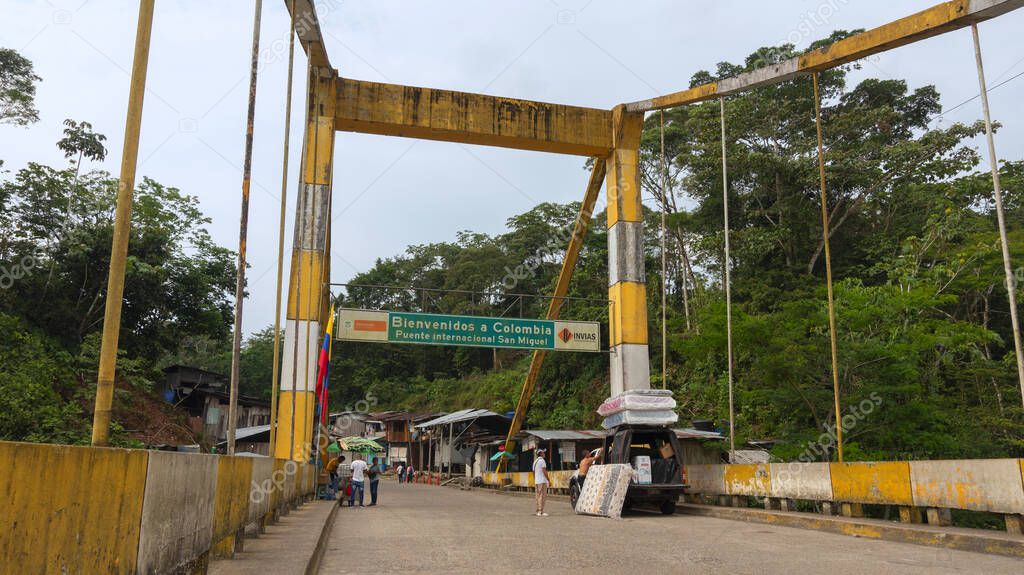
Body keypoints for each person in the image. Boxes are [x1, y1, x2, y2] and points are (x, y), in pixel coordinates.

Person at [533, 448, 550, 517]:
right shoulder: (542, 461)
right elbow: (544, 471)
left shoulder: (535, 462)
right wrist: (548, 479)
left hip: (537, 481)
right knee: (542, 496)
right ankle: (541, 511)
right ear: (541, 454)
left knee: (538, 496)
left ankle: (538, 511)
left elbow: (533, 472)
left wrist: (535, 479)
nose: (544, 454)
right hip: (542, 481)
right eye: (543, 453)